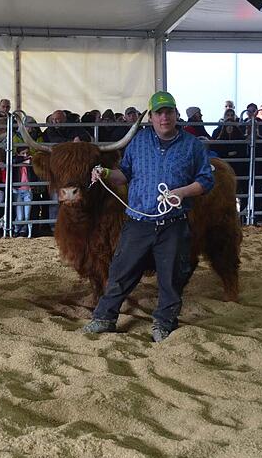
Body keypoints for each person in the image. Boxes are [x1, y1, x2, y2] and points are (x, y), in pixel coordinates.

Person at [82, 91, 214, 342]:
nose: (164, 117)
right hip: (138, 221)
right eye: (158, 113)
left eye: (169, 112)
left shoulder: (193, 145)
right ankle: (104, 318)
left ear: (176, 114)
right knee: (120, 273)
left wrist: (182, 192)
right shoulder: (139, 142)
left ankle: (164, 323)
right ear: (151, 117)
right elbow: (125, 174)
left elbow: (206, 180)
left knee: (171, 278)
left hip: (173, 222)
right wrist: (105, 173)